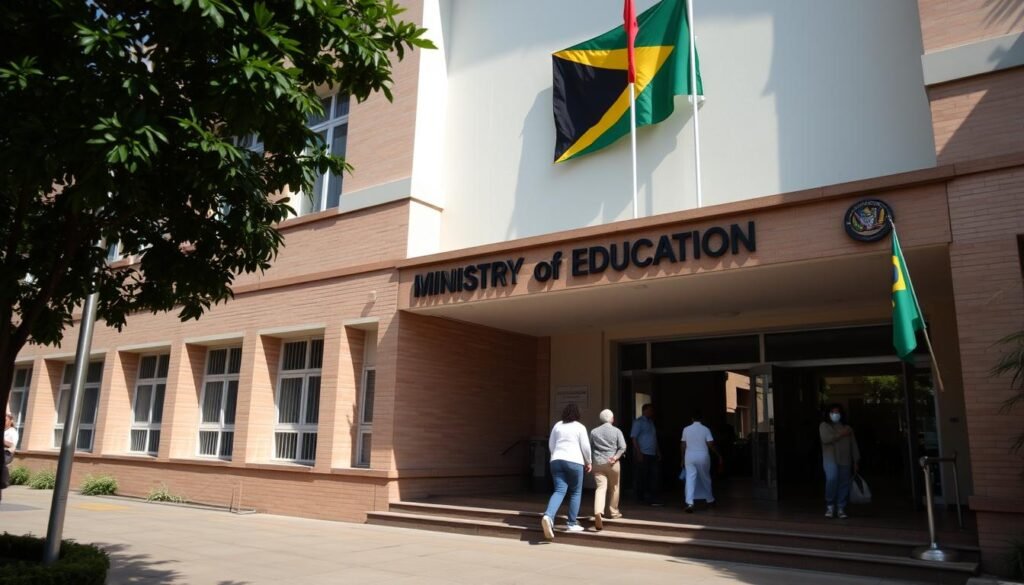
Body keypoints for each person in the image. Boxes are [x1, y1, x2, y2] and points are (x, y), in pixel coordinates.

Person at [541, 403, 592, 540]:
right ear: (577, 414)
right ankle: (571, 523)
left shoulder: (558, 425)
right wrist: (588, 461)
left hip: (556, 460)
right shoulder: (580, 427)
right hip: (574, 461)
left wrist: (555, 455)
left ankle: (548, 516)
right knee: (575, 492)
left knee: (559, 490)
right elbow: (585, 447)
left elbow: (551, 444)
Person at [819, 403, 861, 519]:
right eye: (833, 412)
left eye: (837, 412)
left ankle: (841, 507)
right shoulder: (824, 426)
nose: (835, 414)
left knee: (844, 483)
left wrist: (855, 460)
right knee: (832, 479)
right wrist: (841, 434)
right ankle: (830, 505)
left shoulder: (847, 428)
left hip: (845, 459)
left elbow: (853, 445)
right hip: (830, 459)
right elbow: (826, 439)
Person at [590, 409, 626, 530]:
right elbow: (623, 447)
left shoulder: (594, 432)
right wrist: (615, 457)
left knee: (601, 488)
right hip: (612, 463)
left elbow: (591, 447)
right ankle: (613, 512)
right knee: (614, 487)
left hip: (598, 463)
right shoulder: (617, 431)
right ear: (612, 419)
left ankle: (598, 512)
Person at [680, 410, 722, 513]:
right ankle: (710, 500)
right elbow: (710, 444)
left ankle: (690, 503)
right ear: (702, 419)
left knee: (690, 479)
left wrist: (682, 458)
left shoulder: (686, 429)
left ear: (692, 419)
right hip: (702, 455)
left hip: (689, 456)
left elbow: (683, 445)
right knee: (705, 478)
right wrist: (719, 455)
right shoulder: (705, 429)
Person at [630, 403, 663, 506]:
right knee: (642, 476)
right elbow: (634, 438)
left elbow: (654, 438)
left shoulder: (651, 422)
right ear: (644, 411)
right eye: (650, 410)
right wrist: (638, 453)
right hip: (643, 453)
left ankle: (651, 497)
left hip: (652, 453)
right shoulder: (638, 422)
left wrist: (658, 451)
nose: (652, 412)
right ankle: (640, 497)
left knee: (653, 476)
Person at [2, 413, 18, 499]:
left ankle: (5, 481)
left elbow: (13, 445)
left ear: (10, 421)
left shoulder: (12, 432)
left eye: (5, 420)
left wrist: (3, 441)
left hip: (7, 453)